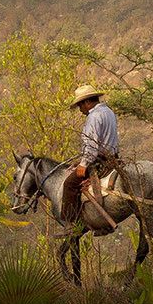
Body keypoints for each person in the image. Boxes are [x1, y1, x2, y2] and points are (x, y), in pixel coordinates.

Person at [61, 84, 118, 224]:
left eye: (80, 106)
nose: (80, 110)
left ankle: (72, 223)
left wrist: (83, 163)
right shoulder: (109, 112)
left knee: (69, 184)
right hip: (113, 158)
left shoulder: (94, 116)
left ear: (87, 102)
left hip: (99, 160)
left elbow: (92, 145)